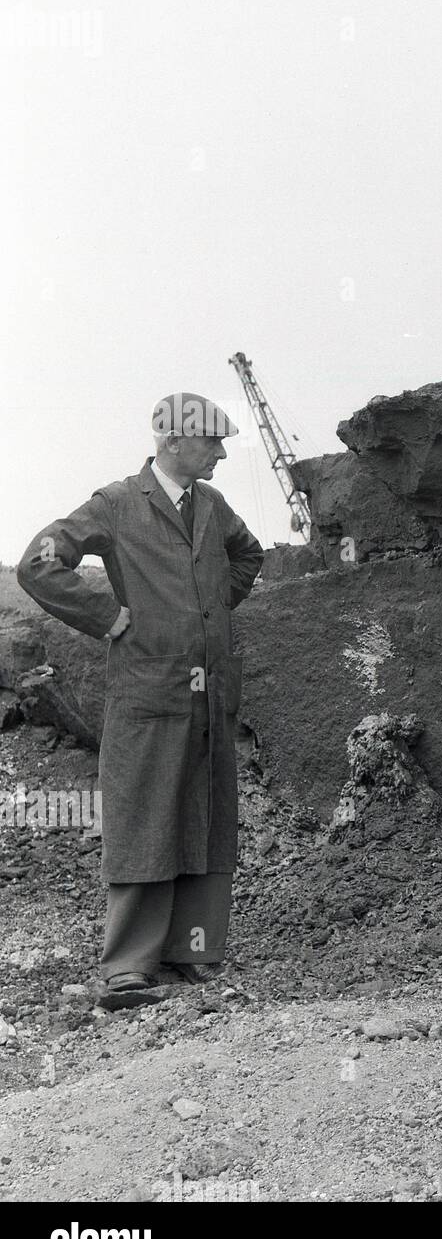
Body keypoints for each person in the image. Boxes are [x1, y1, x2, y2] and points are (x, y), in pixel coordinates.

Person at [17, 393, 263, 1009]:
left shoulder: (211, 505)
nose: (222, 452)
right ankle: (128, 967)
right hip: (148, 687)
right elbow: (39, 564)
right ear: (175, 441)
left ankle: (190, 954)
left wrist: (212, 610)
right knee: (145, 814)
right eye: (212, 441)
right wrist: (108, 616)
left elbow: (249, 553)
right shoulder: (118, 502)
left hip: (210, 690)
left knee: (202, 813)